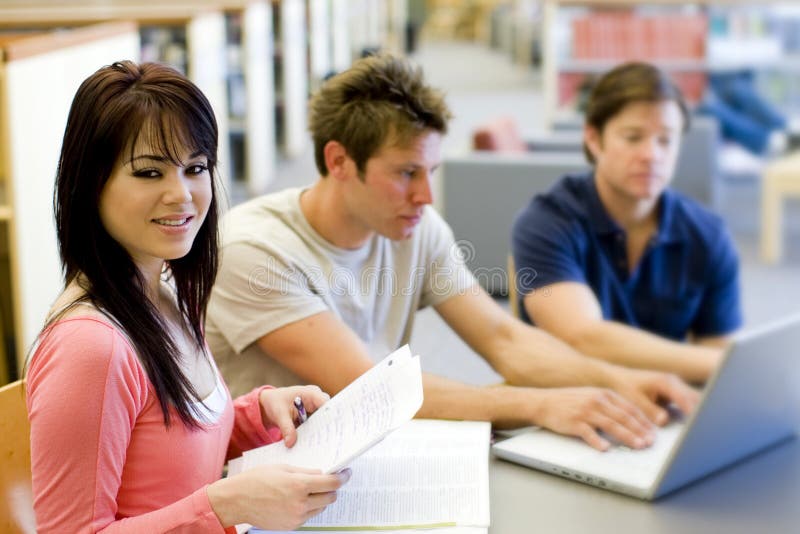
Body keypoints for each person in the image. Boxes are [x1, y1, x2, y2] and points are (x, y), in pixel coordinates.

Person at [206, 54, 699, 453]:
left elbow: (505, 338)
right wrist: (544, 404)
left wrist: (621, 382)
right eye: (406, 173)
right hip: (265, 471)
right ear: (338, 161)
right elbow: (371, 386)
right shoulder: (253, 251)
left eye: (431, 172)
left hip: (362, 449)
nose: (426, 196)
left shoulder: (414, 226)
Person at [25, 61, 349, 533]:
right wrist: (224, 507)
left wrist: (258, 411)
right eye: (149, 173)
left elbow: (167, 446)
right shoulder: (89, 348)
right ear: (90, 184)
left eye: (195, 168)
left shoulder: (162, 290)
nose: (182, 195)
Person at [512, 62, 742, 385]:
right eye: (633, 138)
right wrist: (720, 362)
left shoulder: (709, 235)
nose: (651, 155)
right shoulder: (545, 222)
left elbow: (717, 369)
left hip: (663, 410)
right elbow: (581, 337)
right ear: (593, 138)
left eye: (666, 140)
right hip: (564, 407)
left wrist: (720, 366)